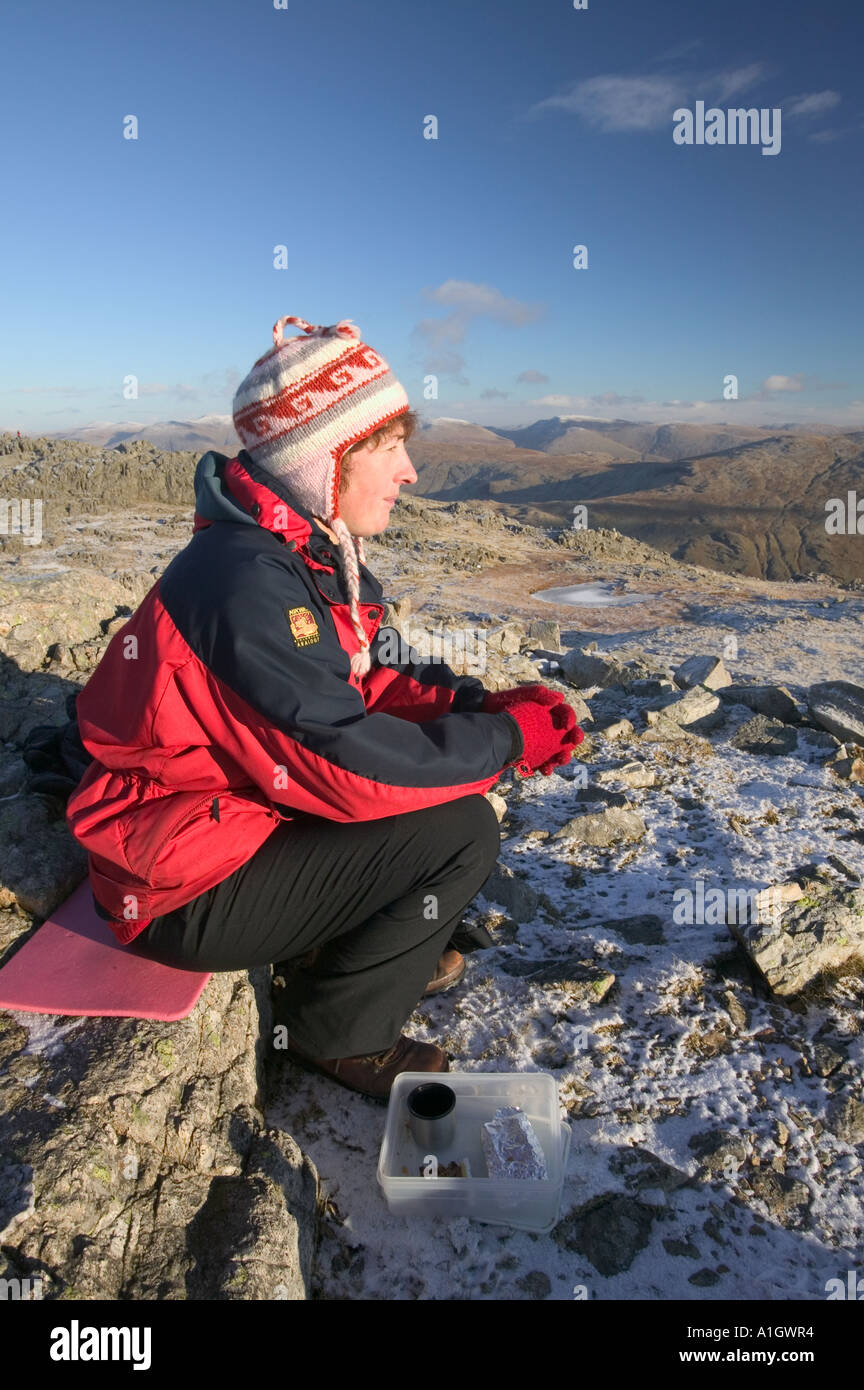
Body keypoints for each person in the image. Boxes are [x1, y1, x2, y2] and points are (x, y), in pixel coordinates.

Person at [65, 314, 583, 1099]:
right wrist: (505, 740)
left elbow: (360, 679)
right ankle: (335, 1034)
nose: (410, 472)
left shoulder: (296, 551)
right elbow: (342, 764)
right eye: (389, 447)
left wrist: (479, 704)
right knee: (457, 828)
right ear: (322, 460)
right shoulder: (247, 583)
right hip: (177, 885)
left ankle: (347, 950)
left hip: (224, 821)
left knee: (444, 794)